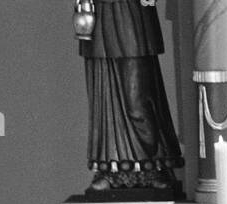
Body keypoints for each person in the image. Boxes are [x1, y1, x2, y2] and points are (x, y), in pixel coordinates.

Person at [78, 0, 184, 191]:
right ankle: (111, 168)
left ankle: (153, 164)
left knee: (137, 97)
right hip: (100, 12)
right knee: (105, 94)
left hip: (131, 12)